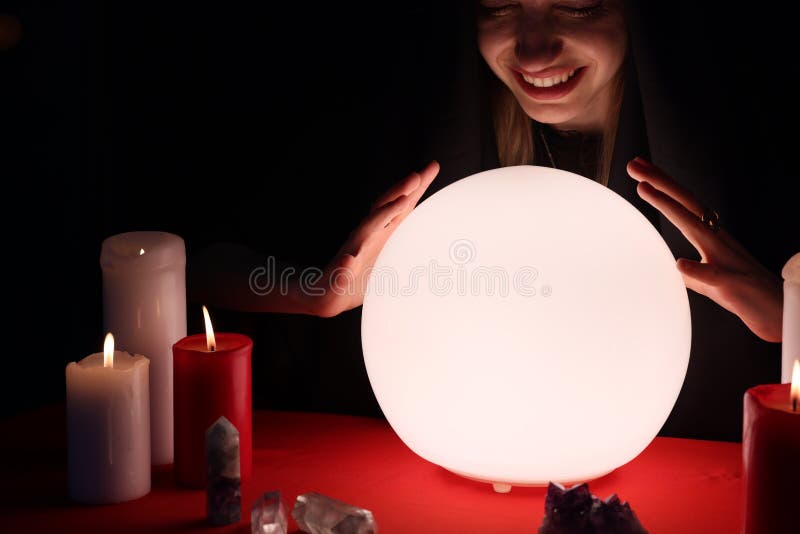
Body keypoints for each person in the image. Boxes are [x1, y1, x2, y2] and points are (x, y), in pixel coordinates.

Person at [189, 0, 788, 440]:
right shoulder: (404, 136)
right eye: (500, 7)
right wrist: (317, 292)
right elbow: (187, 265)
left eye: (577, 8)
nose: (532, 49)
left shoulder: (748, 149)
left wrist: (789, 316)